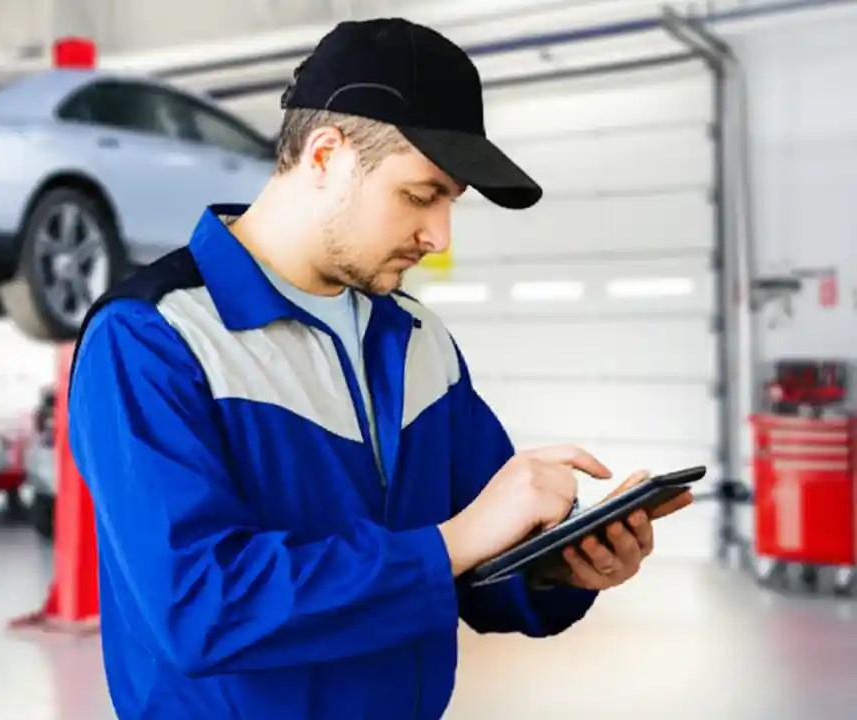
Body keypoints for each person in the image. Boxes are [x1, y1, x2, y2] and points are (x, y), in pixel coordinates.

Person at [67, 17, 694, 720]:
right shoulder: (155, 337)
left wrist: (558, 567)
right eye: (421, 194)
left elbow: (476, 569)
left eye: (450, 202)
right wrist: (453, 543)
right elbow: (200, 607)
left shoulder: (418, 337)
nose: (440, 235)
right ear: (327, 156)